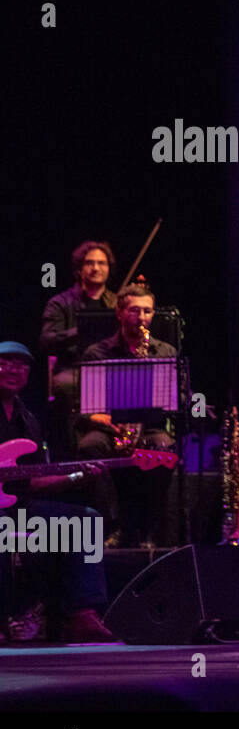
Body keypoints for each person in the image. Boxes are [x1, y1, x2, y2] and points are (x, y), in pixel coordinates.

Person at [0, 340, 116, 643]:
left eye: (22, 364)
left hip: (16, 510)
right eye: (6, 362)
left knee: (85, 520)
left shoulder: (28, 420)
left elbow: (32, 481)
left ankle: (82, 614)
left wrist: (78, 476)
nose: (14, 369)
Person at [78, 283, 178, 547]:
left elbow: (173, 402)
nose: (142, 317)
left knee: (165, 447)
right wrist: (114, 426)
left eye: (147, 311)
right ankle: (114, 524)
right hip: (109, 425)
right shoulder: (97, 352)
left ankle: (149, 529)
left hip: (150, 426)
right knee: (89, 446)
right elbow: (85, 411)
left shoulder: (165, 352)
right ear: (120, 313)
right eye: (135, 311)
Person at [40, 241, 117, 457]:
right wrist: (81, 330)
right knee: (67, 385)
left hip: (109, 367)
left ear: (108, 269)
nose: (96, 268)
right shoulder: (60, 302)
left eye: (101, 263)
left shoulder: (116, 303)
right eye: (89, 263)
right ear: (79, 269)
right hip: (73, 367)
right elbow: (47, 340)